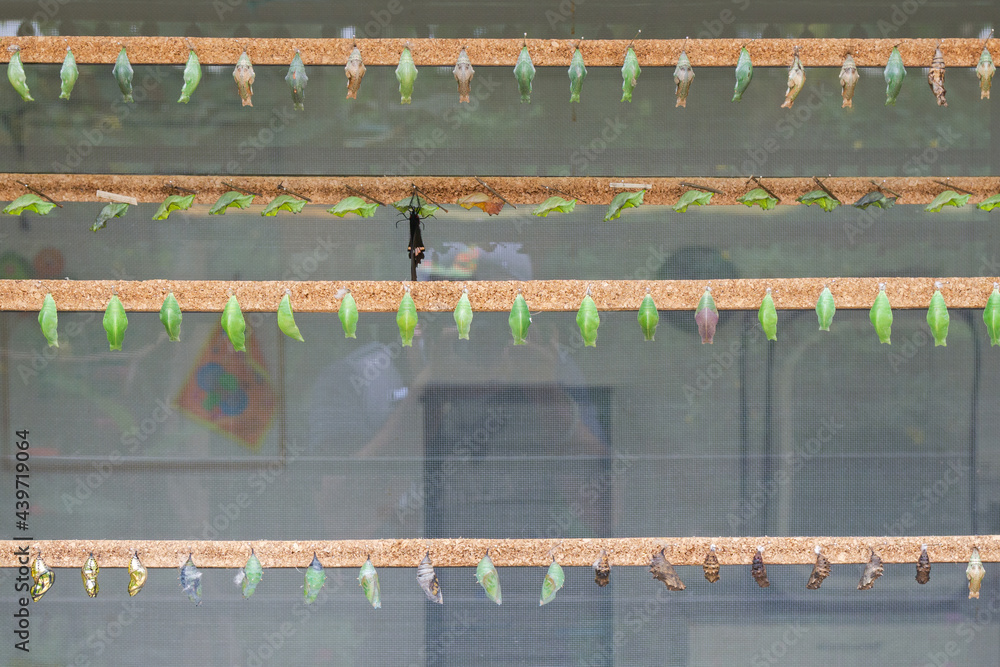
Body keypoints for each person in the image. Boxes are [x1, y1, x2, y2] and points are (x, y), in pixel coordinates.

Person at [307, 242, 611, 539]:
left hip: (523, 582)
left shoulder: (545, 369)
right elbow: (339, 518)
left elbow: (607, 518)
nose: (478, 336)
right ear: (417, 320)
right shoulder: (362, 378)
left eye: (495, 317)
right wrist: (426, 395)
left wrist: (547, 397)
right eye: (457, 314)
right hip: (401, 584)